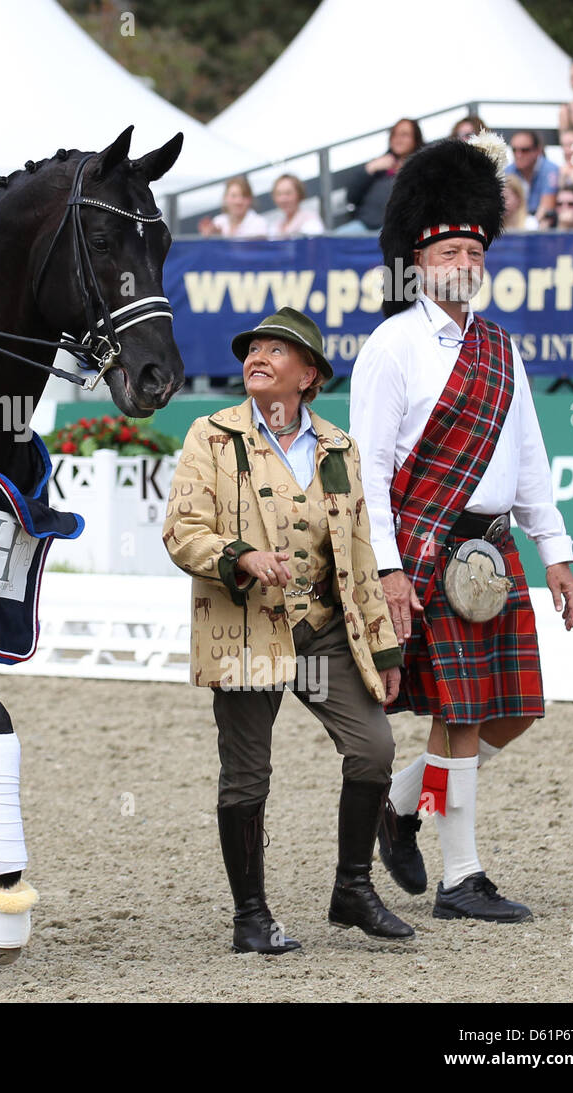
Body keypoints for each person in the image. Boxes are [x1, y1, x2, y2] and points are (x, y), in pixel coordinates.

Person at [350, 132, 573, 923]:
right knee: (462, 714)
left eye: (469, 249)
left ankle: (402, 799)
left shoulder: (501, 350)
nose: (459, 262)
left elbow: (530, 458)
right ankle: (461, 878)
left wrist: (556, 551)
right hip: (426, 547)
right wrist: (386, 568)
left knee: (513, 711)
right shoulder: (391, 346)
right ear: (417, 261)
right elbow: (368, 471)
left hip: (495, 549)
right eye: (445, 248)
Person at [163, 307, 411, 954]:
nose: (260, 356)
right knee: (247, 775)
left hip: (325, 630)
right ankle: (251, 915)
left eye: (278, 350)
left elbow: (358, 552)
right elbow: (182, 532)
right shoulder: (209, 437)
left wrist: (382, 646)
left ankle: (352, 888)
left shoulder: (339, 448)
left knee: (374, 749)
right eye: (255, 348)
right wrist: (241, 557)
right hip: (245, 627)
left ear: (308, 375)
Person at [335, 118, 423, 233]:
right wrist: (370, 168)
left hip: (395, 229)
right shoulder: (378, 165)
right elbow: (351, 197)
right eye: (394, 134)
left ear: (415, 139)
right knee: (333, 239)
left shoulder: (421, 168)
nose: (398, 139)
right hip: (364, 225)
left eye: (404, 134)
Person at [504, 129, 558, 222]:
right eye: (514, 150)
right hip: (515, 225)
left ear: (538, 150)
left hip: (541, 226)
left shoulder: (550, 171)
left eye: (524, 150)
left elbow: (547, 208)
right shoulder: (508, 172)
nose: (518, 154)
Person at [198, 176, 267, 237]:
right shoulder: (218, 221)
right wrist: (211, 237)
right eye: (233, 196)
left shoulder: (259, 224)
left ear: (250, 199)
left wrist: (221, 238)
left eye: (244, 196)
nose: (238, 201)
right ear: (225, 198)